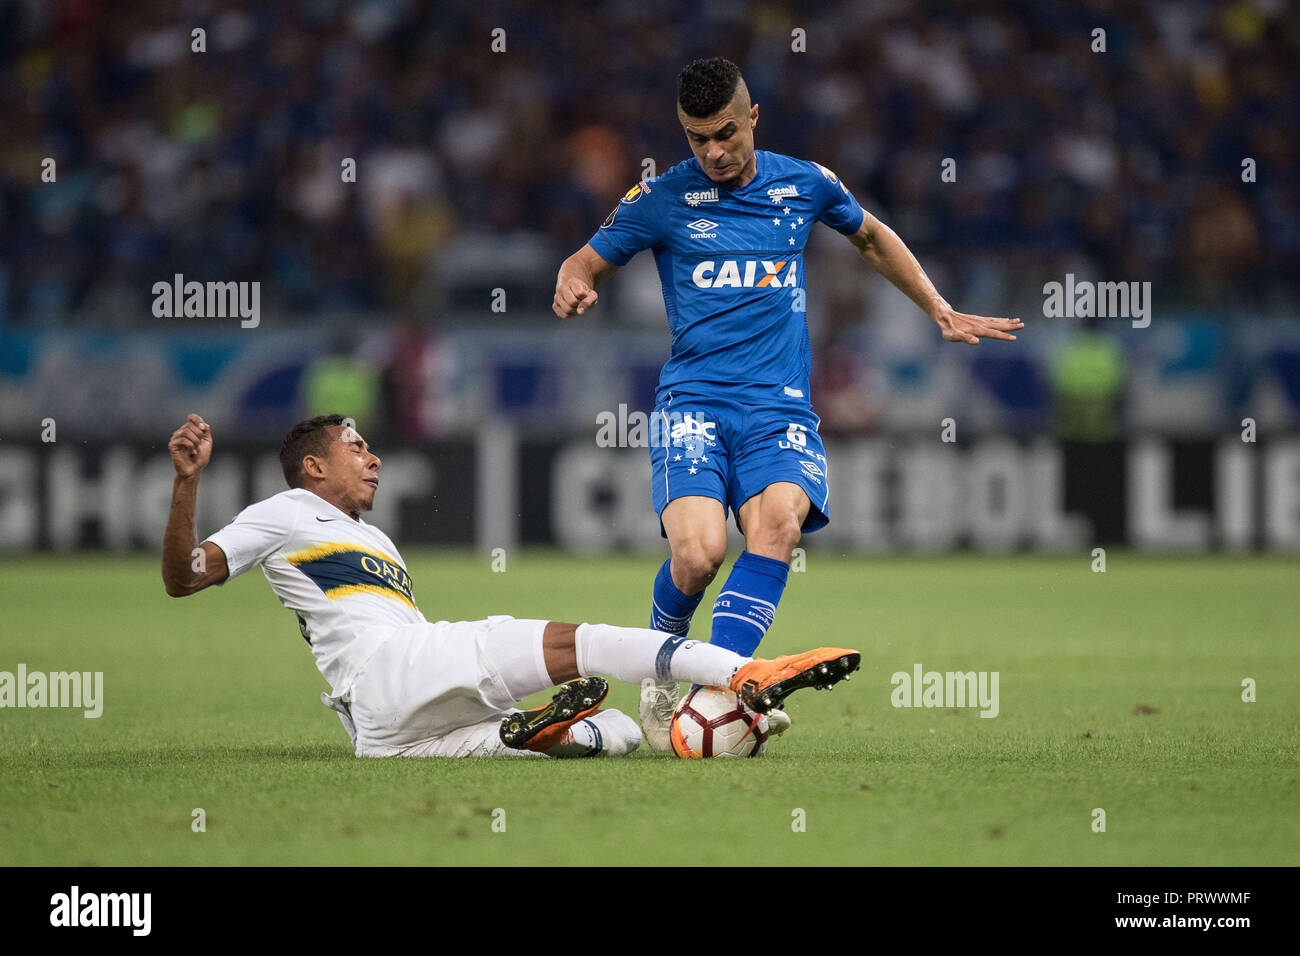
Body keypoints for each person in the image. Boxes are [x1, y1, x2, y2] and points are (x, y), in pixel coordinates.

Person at [553, 57, 1023, 750]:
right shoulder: (660, 197)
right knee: (699, 556)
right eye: (695, 138)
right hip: (694, 405)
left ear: (752, 120)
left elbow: (870, 234)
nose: (711, 152)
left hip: (778, 410)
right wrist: (572, 283)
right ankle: (662, 661)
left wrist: (939, 309)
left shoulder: (804, 182)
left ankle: (720, 693)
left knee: (778, 526)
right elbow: (583, 259)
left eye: (723, 135)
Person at [161, 412, 858, 758]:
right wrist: (187, 486)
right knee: (583, 642)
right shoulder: (283, 513)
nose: (374, 460)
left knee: (615, 733)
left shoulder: (373, 539)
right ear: (312, 467)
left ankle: (538, 731)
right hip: (394, 668)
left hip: (380, 732)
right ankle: (748, 672)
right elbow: (184, 578)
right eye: (357, 448)